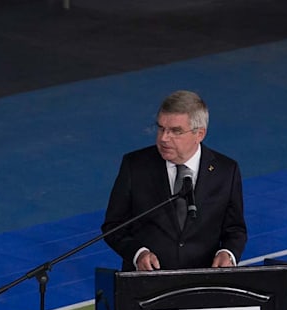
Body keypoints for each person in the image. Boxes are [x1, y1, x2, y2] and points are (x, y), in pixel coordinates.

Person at [102, 90, 247, 271]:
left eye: (175, 131)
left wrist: (228, 252)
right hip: (147, 281)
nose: (164, 138)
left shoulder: (226, 171)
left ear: (200, 134)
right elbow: (114, 225)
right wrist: (138, 253)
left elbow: (235, 229)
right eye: (161, 128)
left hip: (203, 280)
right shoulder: (135, 166)